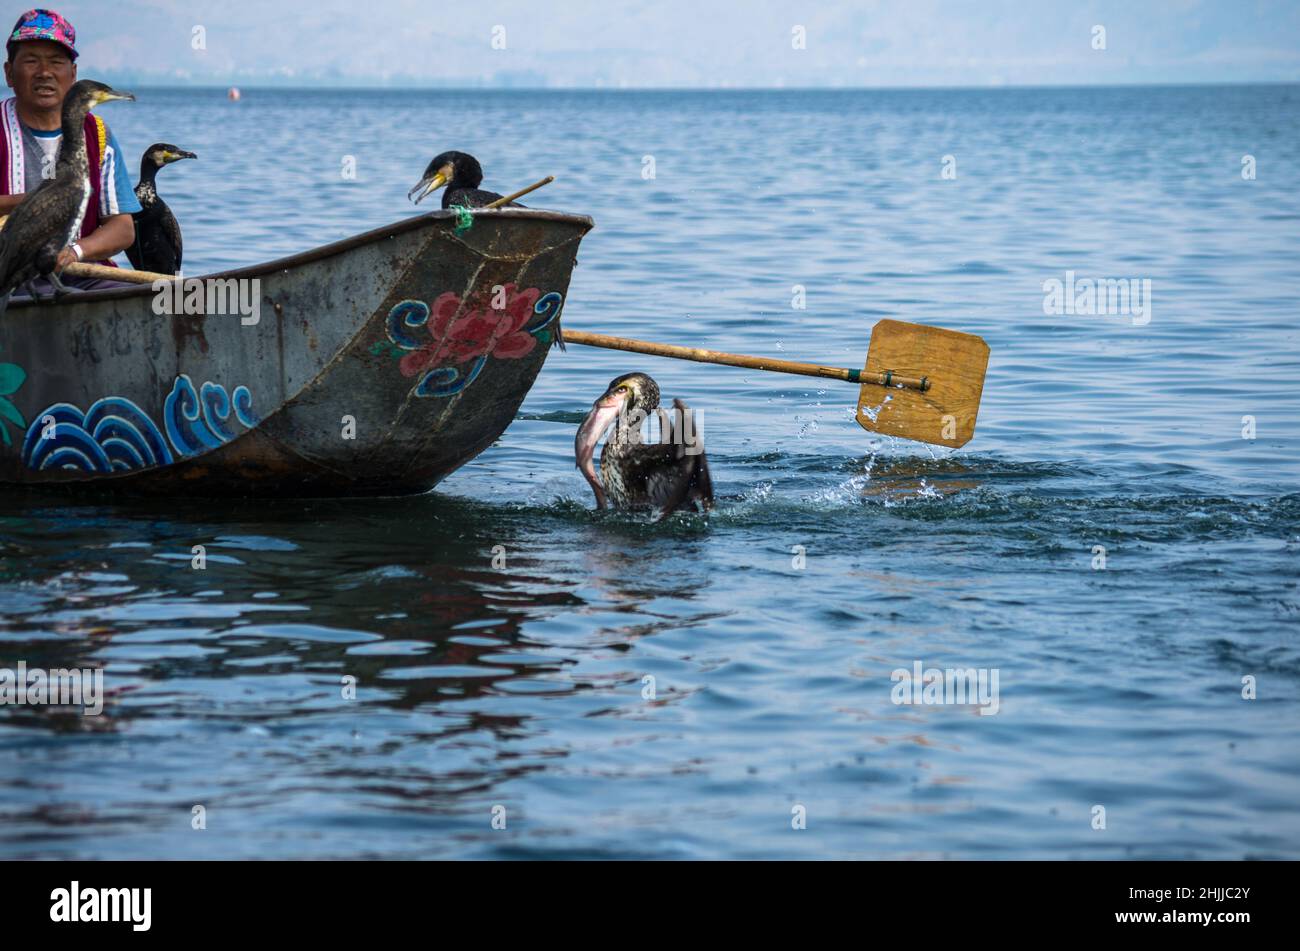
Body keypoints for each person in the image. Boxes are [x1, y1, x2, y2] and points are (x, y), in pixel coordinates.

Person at [0, 8, 138, 291]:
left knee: (132, 297)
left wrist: (74, 251)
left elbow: (123, 229)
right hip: (9, 274)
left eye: (56, 62)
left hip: (78, 271)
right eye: (31, 61)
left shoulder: (97, 135)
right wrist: (37, 204)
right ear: (9, 73)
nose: (45, 73)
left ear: (72, 74)